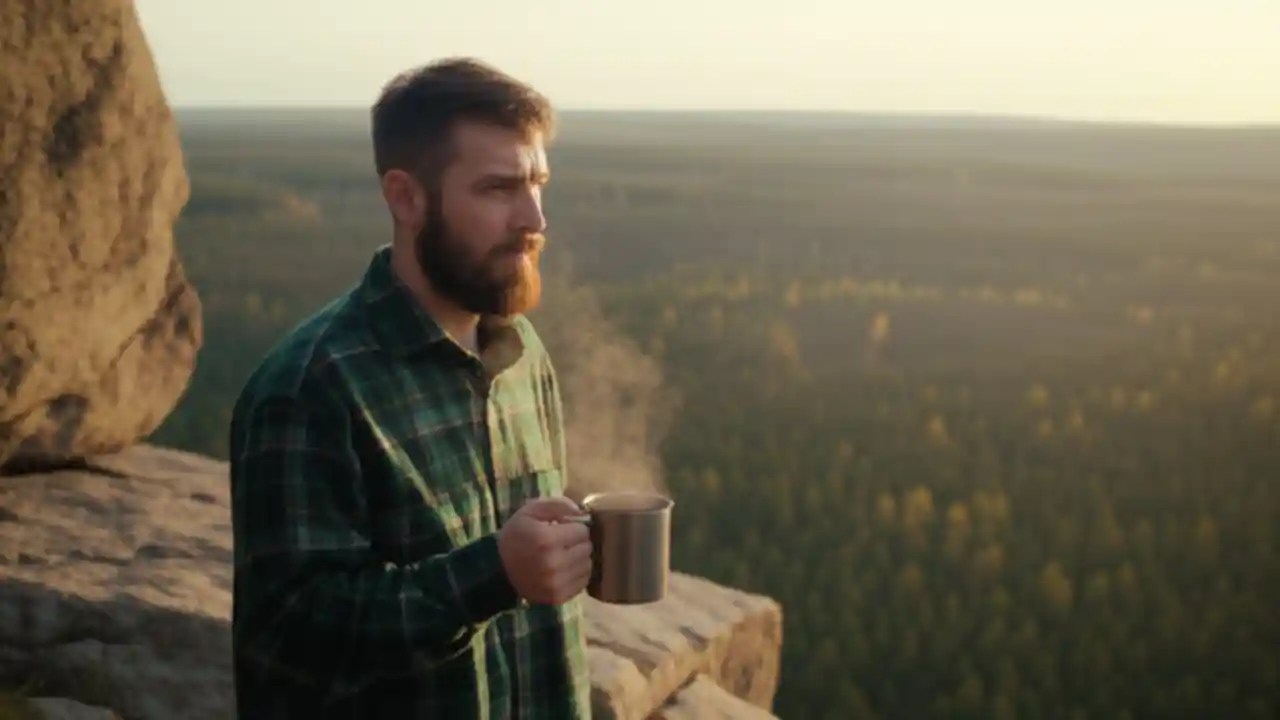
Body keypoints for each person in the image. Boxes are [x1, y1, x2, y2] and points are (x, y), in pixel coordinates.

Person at [228, 57, 593, 719]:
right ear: (406, 198)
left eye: (539, 182)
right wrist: (492, 575)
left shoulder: (520, 354)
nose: (534, 217)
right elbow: (292, 643)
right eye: (497, 188)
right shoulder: (312, 389)